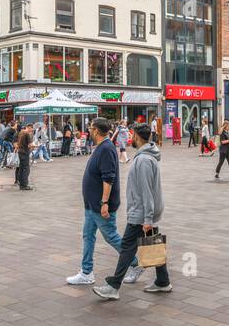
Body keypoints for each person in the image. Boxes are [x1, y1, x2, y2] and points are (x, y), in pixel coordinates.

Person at [92, 122, 172, 299]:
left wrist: (148, 218)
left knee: (128, 247)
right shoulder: (147, 156)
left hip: (141, 213)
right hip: (145, 212)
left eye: (131, 135)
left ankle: (113, 286)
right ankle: (163, 281)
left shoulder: (143, 160)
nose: (129, 138)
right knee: (152, 243)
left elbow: (146, 192)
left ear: (137, 136)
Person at [66, 118, 124, 286]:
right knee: (88, 235)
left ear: (97, 131)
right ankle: (86, 272)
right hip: (92, 205)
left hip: (100, 205)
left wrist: (104, 202)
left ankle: (135, 262)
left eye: (91, 128)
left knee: (111, 236)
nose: (89, 131)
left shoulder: (106, 148)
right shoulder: (102, 147)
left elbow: (108, 178)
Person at [15, 124, 33, 191]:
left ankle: (21, 184)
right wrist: (35, 146)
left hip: (20, 152)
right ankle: (25, 185)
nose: (32, 130)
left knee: (21, 168)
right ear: (28, 127)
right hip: (25, 152)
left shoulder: (21, 133)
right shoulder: (27, 134)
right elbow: (29, 145)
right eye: (31, 128)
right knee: (26, 169)